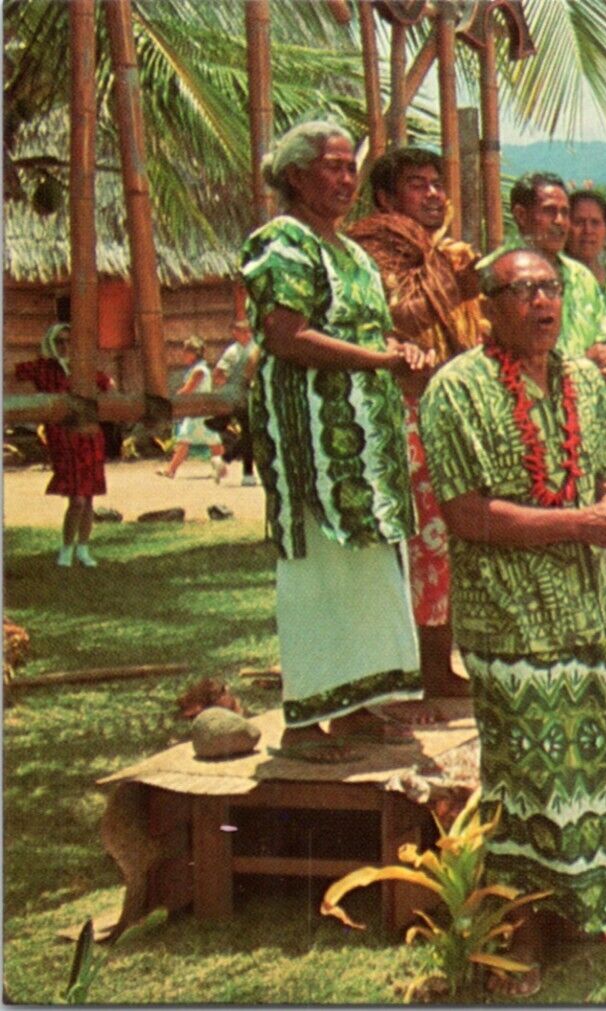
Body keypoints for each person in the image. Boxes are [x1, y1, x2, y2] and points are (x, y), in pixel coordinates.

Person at [419, 247, 606, 992]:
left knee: (584, 770)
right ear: (487, 306)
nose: (541, 301)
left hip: (581, 613)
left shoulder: (583, 379)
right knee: (526, 777)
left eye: (550, 287)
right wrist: (584, 523)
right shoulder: (455, 390)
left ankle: (581, 914)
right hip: (509, 618)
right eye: (522, 290)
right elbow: (467, 514)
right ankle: (515, 936)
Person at [239, 120, 433, 762]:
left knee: (366, 567)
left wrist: (400, 349)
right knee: (318, 572)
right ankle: (303, 724)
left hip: (363, 443)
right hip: (312, 439)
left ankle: (352, 710)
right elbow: (286, 334)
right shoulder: (280, 243)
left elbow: (369, 330)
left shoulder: (350, 252)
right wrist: (378, 361)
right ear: (296, 175)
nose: (347, 179)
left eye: (352, 167)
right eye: (333, 166)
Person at [347, 145, 486, 708]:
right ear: (385, 198)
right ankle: (404, 672)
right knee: (412, 542)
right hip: (393, 411)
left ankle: (435, 666)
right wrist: (452, 278)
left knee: (442, 543)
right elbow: (398, 316)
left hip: (440, 410)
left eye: (437, 183)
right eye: (417, 184)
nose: (433, 194)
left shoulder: (442, 253)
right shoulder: (369, 252)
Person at [507, 172, 606, 378]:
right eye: (549, 211)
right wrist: (585, 363)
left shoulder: (581, 276)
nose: (560, 221)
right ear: (521, 215)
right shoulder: (496, 278)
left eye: (565, 213)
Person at [15, 323, 114, 567]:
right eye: (59, 341)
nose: (65, 346)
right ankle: (66, 549)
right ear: (51, 343)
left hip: (90, 436)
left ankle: (83, 549)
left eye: (69, 341)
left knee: (88, 497)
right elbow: (14, 374)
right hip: (62, 437)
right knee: (76, 498)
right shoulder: (43, 368)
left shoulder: (83, 368)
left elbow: (108, 385)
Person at [157, 336, 225, 482]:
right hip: (198, 409)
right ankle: (172, 470)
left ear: (194, 354)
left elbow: (188, 389)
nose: (183, 355)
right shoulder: (199, 369)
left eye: (186, 352)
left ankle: (171, 470)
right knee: (202, 440)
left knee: (191, 439)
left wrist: (174, 398)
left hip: (198, 410)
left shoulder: (199, 370)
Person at [206, 319, 260, 487]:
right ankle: (246, 472)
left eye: (246, 332)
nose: (245, 335)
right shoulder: (234, 351)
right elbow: (218, 373)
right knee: (250, 432)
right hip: (240, 396)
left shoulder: (252, 348)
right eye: (240, 332)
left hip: (247, 395)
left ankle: (225, 460)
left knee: (249, 434)